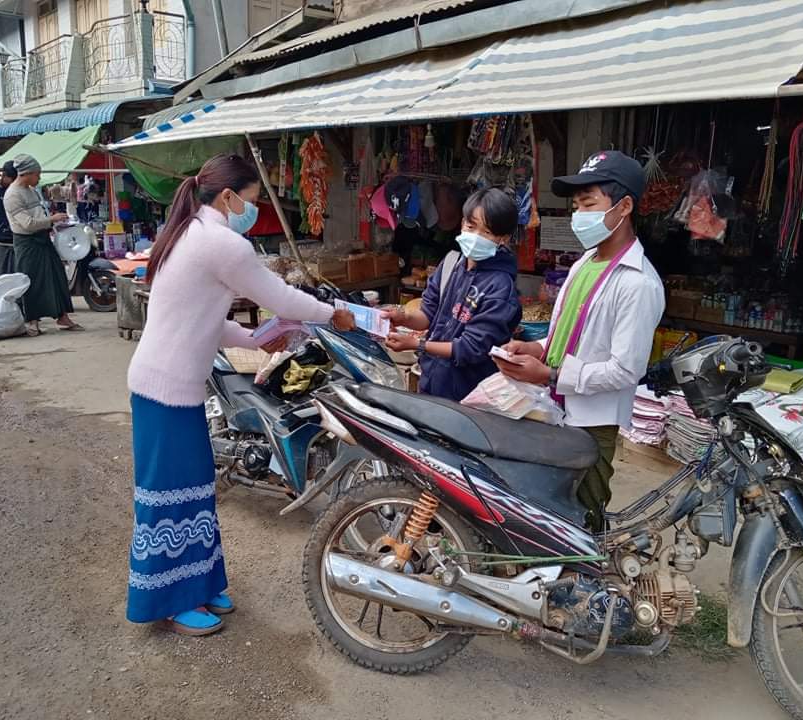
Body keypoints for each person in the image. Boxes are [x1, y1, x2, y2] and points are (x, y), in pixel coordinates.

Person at [125, 153, 355, 637]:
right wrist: (331, 313)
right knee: (169, 496)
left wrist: (251, 340)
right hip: (164, 389)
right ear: (228, 197)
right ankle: (167, 600)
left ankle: (200, 586)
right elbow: (281, 297)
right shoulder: (220, 242)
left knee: (194, 490)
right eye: (251, 202)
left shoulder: (190, 233)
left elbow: (201, 315)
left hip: (173, 385)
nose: (253, 213)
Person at [492, 151, 665, 530]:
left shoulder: (638, 283)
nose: (578, 215)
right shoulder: (585, 263)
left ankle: (588, 583)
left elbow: (625, 370)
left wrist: (549, 374)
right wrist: (536, 349)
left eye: (589, 203)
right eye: (576, 205)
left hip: (591, 423)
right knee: (544, 510)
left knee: (581, 516)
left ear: (624, 207)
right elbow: (566, 334)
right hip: (553, 408)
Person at [384, 187, 522, 401]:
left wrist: (416, 345)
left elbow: (470, 348)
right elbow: (427, 315)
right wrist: (404, 318)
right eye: (471, 226)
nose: (476, 236)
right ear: (462, 224)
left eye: (487, 232)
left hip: (472, 395)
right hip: (433, 381)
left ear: (503, 238)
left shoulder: (500, 287)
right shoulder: (450, 263)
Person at [3, 154, 79, 336]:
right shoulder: (12, 195)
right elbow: (27, 224)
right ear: (26, 173)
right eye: (37, 174)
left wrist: (54, 222)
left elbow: (39, 214)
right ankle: (32, 320)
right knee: (32, 281)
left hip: (43, 239)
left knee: (57, 276)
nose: (39, 178)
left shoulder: (31, 190)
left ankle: (62, 317)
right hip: (28, 243)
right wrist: (50, 219)